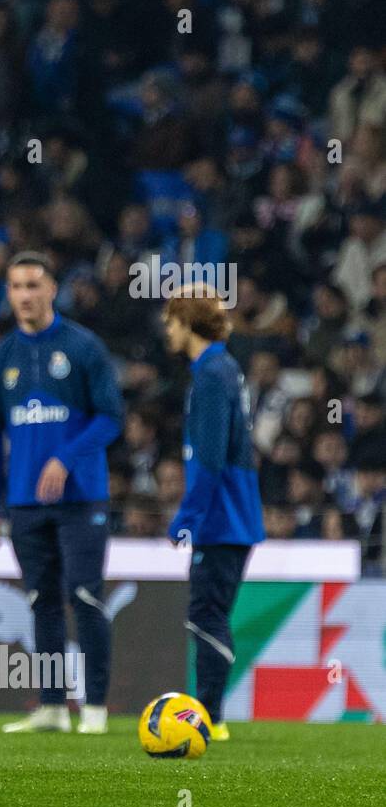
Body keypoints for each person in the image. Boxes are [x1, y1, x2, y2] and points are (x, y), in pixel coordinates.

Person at [0, 253, 124, 735]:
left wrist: (66, 457)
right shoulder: (0, 358)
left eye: (33, 285)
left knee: (85, 595)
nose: (24, 295)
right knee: (41, 601)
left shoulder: (83, 348)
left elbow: (110, 418)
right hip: (24, 503)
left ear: (52, 289)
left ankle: (96, 707)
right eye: (16, 286)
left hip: (82, 499)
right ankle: (53, 706)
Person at [163, 284, 265, 741]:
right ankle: (212, 713)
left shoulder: (210, 374)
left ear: (187, 323)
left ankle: (210, 716)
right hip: (233, 513)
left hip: (221, 516)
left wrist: (187, 515)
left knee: (206, 613)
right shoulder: (224, 368)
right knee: (210, 612)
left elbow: (209, 455)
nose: (167, 329)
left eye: (171, 320)